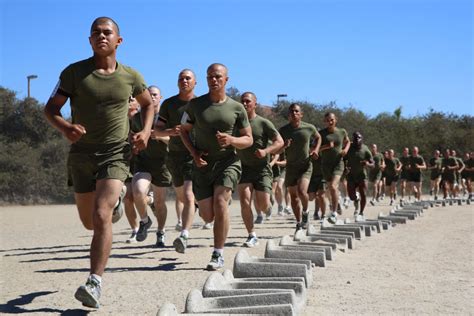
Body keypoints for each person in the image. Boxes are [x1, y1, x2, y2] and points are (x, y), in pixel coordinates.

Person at [43, 17, 154, 308]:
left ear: (119, 40)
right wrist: (66, 127)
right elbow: (50, 108)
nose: (101, 36)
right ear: (89, 41)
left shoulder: (131, 76)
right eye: (96, 33)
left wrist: (143, 131)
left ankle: (94, 281)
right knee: (88, 221)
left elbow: (148, 104)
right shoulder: (74, 73)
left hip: (115, 152)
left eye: (107, 33)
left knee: (101, 214)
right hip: (81, 153)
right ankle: (116, 203)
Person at [180, 63, 252, 270]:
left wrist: (231, 140)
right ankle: (218, 210)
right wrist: (194, 153)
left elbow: (248, 139)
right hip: (202, 165)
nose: (214, 80)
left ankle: (217, 253)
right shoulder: (195, 105)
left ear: (226, 80)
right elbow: (183, 130)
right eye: (210, 76)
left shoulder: (237, 108)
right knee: (207, 215)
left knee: (220, 203)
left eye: (218, 77)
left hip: (228, 162)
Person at [154, 69, 200, 253]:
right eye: (181, 78)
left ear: (195, 82)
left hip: (194, 156)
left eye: (188, 78)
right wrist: (169, 132)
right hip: (173, 157)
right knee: (182, 196)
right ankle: (195, 206)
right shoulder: (169, 104)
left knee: (188, 196)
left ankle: (184, 235)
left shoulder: (201, 104)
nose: (184, 81)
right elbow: (157, 131)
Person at [236, 92, 283, 247]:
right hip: (244, 168)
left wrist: (266, 151)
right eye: (242, 101)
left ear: (255, 104)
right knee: (244, 202)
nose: (244, 104)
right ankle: (251, 234)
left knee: (262, 205)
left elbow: (279, 142)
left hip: (262, 168)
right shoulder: (236, 124)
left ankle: (268, 208)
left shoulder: (263, 123)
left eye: (248, 101)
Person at [131, 86, 172, 247]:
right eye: (149, 95)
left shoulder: (166, 116)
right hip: (144, 161)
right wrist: (134, 142)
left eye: (155, 94)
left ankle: (161, 231)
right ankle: (145, 221)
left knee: (160, 203)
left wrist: (160, 136)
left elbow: (175, 138)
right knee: (138, 191)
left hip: (163, 163)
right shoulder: (137, 117)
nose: (152, 97)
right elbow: (133, 135)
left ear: (160, 97)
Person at [278, 103, 321, 231]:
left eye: (297, 111)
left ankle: (306, 212)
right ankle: (298, 223)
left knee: (302, 191)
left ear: (301, 114)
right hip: (291, 167)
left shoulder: (309, 128)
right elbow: (278, 148)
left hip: (305, 165)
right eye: (291, 111)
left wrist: (316, 150)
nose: (294, 113)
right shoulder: (283, 130)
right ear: (288, 115)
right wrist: (284, 146)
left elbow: (318, 137)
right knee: (293, 197)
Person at [318, 112, 350, 224]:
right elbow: (314, 149)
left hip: (338, 163)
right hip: (326, 165)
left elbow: (348, 142)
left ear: (336, 120)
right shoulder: (321, 134)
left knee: (332, 186)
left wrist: (345, 150)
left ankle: (334, 213)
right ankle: (337, 203)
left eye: (331, 120)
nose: (329, 122)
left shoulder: (342, 132)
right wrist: (326, 146)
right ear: (324, 121)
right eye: (327, 120)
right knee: (329, 190)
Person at [344, 132, 374, 220]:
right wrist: (345, 167)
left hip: (362, 175)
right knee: (351, 196)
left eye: (359, 138)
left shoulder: (365, 149)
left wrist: (367, 164)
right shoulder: (348, 148)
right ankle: (356, 199)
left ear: (362, 139)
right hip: (351, 175)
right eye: (355, 138)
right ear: (352, 139)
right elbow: (342, 159)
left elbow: (373, 164)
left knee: (363, 194)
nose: (357, 140)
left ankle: (361, 213)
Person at [308, 152, 326, 221]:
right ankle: (316, 212)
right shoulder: (309, 149)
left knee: (321, 196)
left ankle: (323, 215)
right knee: (311, 197)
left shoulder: (323, 150)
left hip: (322, 176)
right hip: (311, 176)